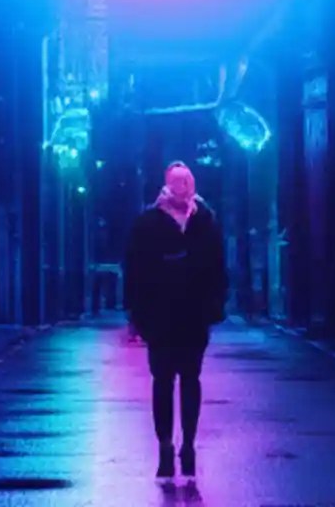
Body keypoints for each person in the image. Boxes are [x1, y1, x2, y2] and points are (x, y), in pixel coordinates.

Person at [124, 161, 228, 480]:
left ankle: (189, 446)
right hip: (161, 317)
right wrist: (138, 315)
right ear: (167, 185)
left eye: (187, 181)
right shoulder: (149, 223)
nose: (182, 187)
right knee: (163, 382)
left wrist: (214, 306)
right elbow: (135, 271)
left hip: (194, 316)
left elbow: (218, 269)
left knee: (190, 380)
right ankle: (166, 446)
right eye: (176, 181)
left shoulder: (206, 221)